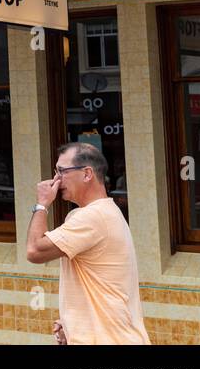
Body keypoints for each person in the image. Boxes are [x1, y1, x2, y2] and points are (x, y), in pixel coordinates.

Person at [26, 141, 150, 345]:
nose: (56, 179)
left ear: (87, 174)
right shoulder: (98, 213)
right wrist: (73, 323)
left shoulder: (94, 217)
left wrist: (42, 204)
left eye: (62, 171)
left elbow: (34, 250)